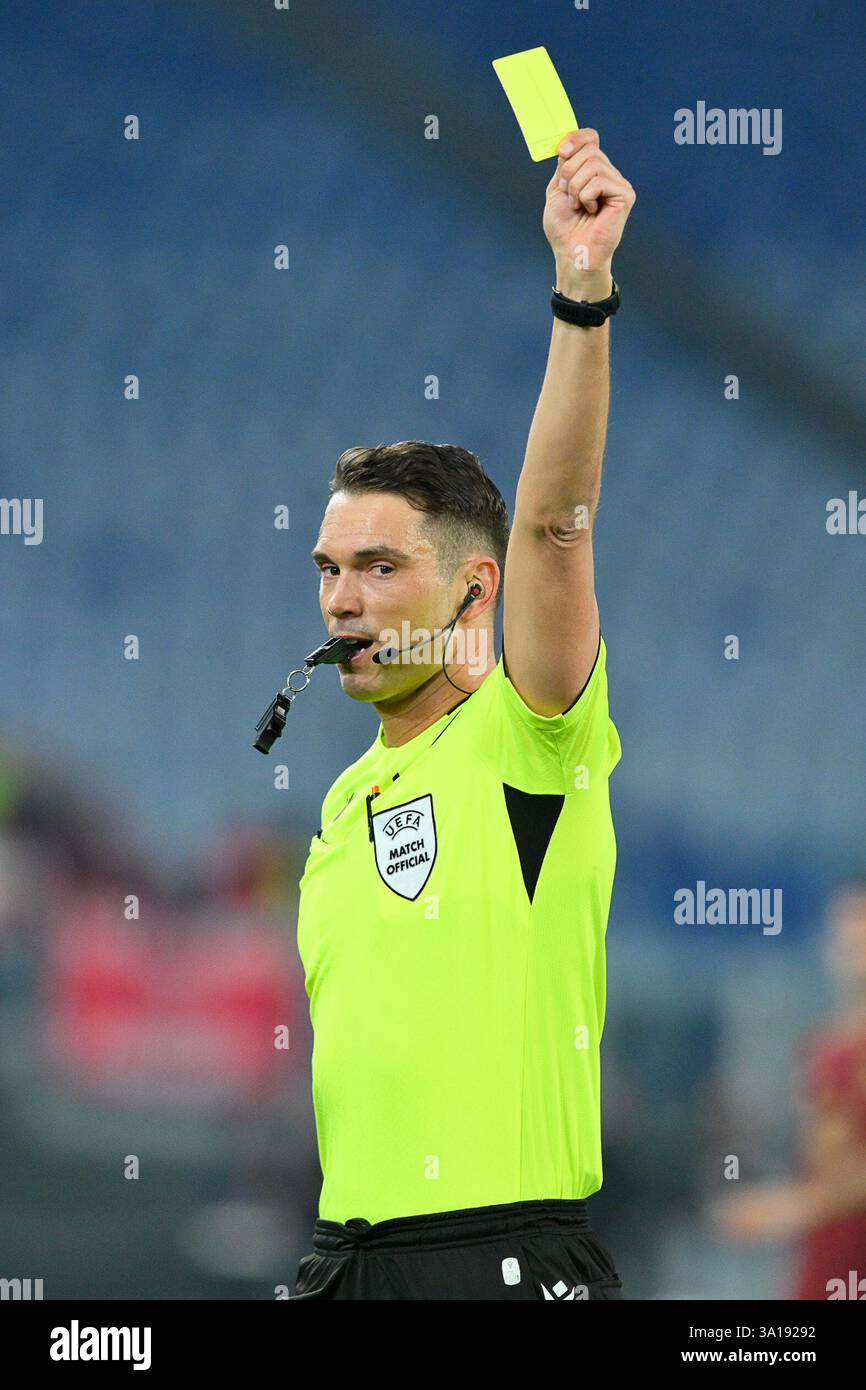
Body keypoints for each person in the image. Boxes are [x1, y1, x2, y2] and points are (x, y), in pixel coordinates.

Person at [291, 128, 636, 1299]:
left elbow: (551, 525)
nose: (342, 596)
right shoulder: (344, 799)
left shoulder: (527, 735)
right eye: (329, 568)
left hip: (499, 1262)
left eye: (380, 567)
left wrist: (579, 292)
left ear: (471, 589)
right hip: (348, 1259)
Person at [711, 879, 866, 1299]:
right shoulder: (825, 1048)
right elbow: (826, 1161)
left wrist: (787, 1209)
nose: (852, 941)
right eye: (844, 929)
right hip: (826, 1259)